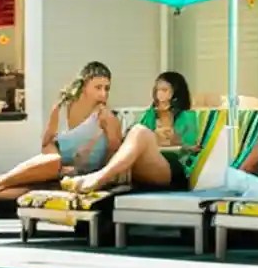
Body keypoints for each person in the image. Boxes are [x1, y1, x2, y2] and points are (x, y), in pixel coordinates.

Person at [0, 61, 121, 202]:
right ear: (84, 86)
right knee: (51, 163)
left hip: (84, 175)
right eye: (98, 88)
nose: (104, 94)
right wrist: (59, 161)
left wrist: (90, 174)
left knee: (33, 187)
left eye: (107, 88)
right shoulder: (61, 108)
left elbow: (115, 154)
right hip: (55, 169)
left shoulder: (106, 117)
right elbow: (47, 144)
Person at [66, 71, 201, 193]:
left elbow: (191, 149)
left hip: (173, 167)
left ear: (176, 93)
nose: (160, 94)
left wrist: (172, 140)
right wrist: (154, 138)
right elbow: (135, 142)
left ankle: (100, 177)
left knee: (140, 131)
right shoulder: (150, 114)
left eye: (165, 90)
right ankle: (88, 173)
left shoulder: (187, 116)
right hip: (147, 162)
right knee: (118, 130)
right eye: (158, 90)